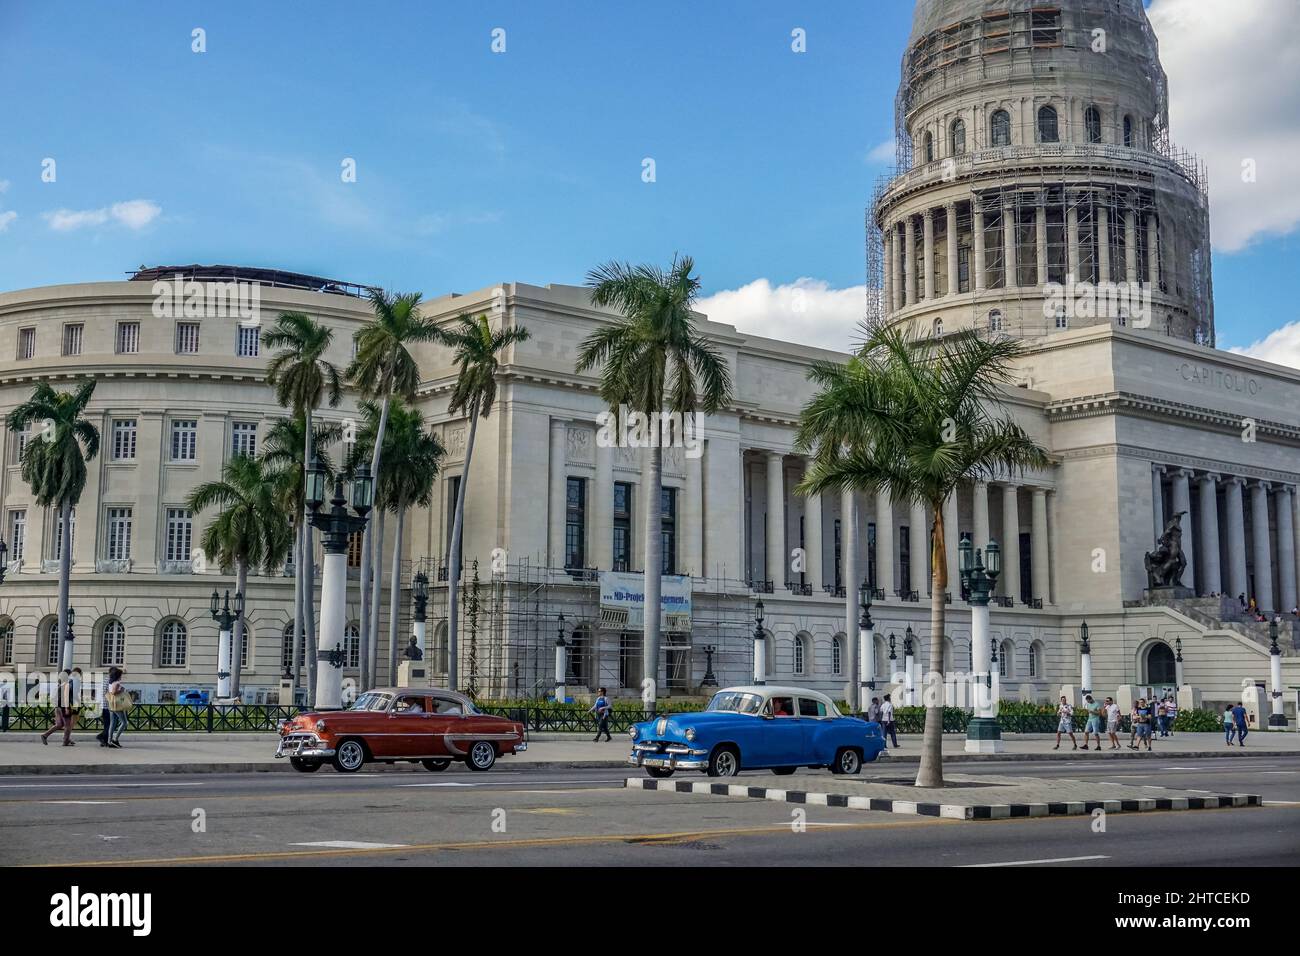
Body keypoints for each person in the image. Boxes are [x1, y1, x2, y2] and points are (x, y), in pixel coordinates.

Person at [41, 670, 76, 746]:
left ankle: (45, 735)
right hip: (64, 707)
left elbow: (55, 697)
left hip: (57, 707)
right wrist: (67, 708)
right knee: (67, 725)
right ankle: (65, 741)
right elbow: (66, 698)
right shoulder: (66, 685)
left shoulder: (60, 685)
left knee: (59, 724)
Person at [95, 666, 123, 747]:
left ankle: (104, 740)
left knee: (108, 724)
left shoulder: (109, 680)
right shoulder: (108, 680)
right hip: (107, 706)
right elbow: (105, 692)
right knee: (111, 724)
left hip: (107, 705)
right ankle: (101, 737)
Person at [106, 678, 131, 748]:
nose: (121, 677)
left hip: (111, 704)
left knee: (112, 723)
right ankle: (115, 739)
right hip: (117, 705)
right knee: (125, 722)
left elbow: (110, 693)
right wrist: (121, 690)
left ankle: (109, 742)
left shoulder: (110, 683)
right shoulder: (116, 683)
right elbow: (114, 693)